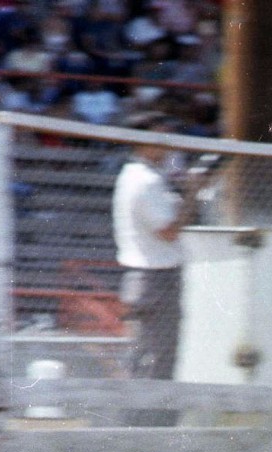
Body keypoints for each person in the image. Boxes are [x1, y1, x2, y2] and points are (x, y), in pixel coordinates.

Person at [112, 114, 208, 393]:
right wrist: (192, 193)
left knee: (144, 356)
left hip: (145, 277)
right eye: (160, 138)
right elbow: (169, 231)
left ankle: (136, 421)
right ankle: (150, 423)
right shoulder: (145, 181)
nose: (167, 146)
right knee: (159, 360)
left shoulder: (139, 177)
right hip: (157, 278)